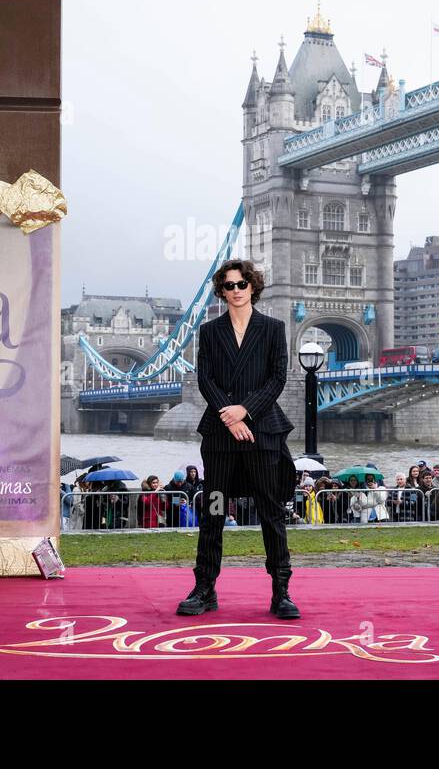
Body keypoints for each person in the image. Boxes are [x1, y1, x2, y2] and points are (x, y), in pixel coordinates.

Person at [179, 259, 299, 619]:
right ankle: (204, 589)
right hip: (220, 437)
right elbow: (206, 380)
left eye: (241, 284)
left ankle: (281, 592)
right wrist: (229, 418)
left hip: (262, 435)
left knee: (271, 514)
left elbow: (277, 378)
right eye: (228, 285)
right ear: (221, 290)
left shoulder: (274, 329)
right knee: (213, 512)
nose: (235, 291)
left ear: (253, 287)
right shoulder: (210, 331)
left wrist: (244, 410)